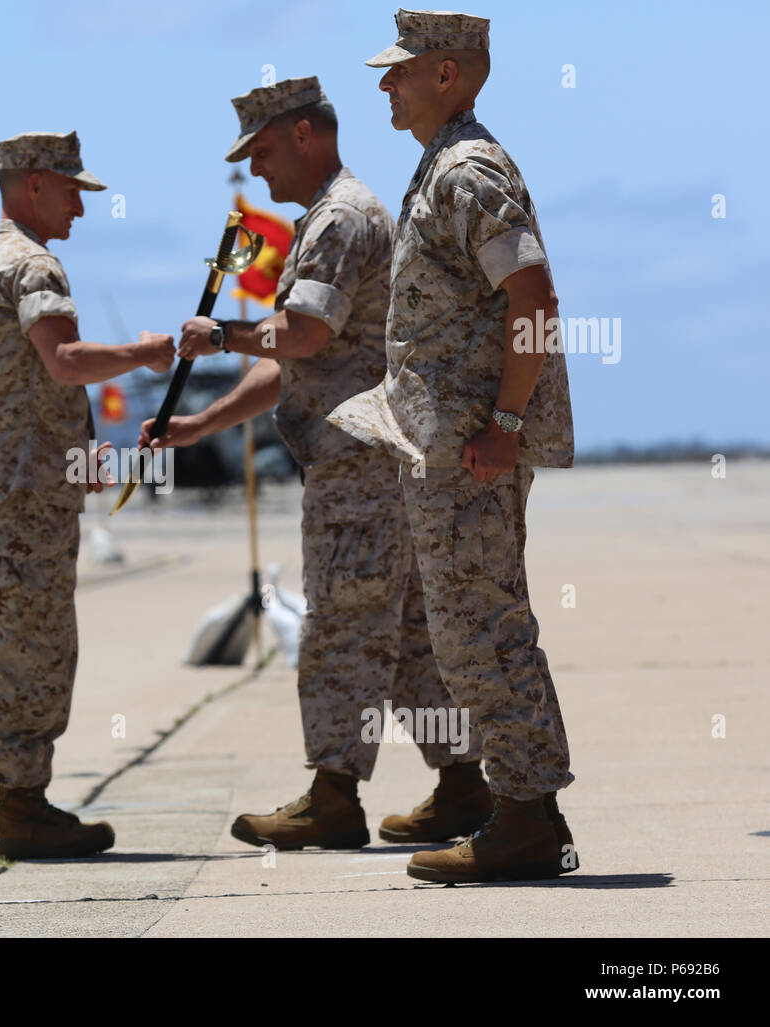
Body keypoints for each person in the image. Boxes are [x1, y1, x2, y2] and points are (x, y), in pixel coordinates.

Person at [142, 77, 486, 852]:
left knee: (339, 630)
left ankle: (333, 795)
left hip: (360, 466)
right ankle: (465, 781)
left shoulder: (339, 217)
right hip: (372, 459)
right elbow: (301, 357)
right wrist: (202, 421)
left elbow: (297, 334)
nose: (256, 171)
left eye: (262, 151)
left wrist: (220, 336)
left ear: (306, 135)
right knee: (405, 633)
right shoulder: (334, 216)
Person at [331, 9, 579, 882]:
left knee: (484, 626)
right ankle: (521, 811)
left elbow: (535, 298)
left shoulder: (468, 171)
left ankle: (527, 821)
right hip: (448, 446)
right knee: (466, 627)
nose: (384, 85)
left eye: (400, 70)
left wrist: (505, 426)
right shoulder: (441, 168)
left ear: (448, 73)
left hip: (473, 449)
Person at [0, 131, 174, 859]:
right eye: (73, 187)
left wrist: (80, 459)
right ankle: (22, 808)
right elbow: (65, 359)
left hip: (13, 489)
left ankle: (25, 800)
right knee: (31, 643)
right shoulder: (33, 264)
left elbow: (30, 386)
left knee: (26, 638)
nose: (82, 202)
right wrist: (146, 352)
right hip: (22, 499)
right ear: (34, 184)